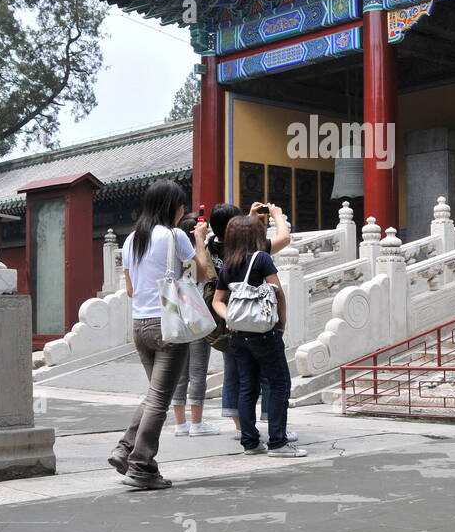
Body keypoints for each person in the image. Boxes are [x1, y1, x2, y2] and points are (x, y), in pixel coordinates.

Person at [107, 179, 210, 490]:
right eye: (181, 205)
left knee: (155, 395)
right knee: (159, 401)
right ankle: (141, 466)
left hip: (139, 325)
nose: (183, 211)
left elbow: (129, 288)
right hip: (168, 325)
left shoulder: (130, 240)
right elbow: (203, 273)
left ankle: (126, 449)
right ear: (172, 207)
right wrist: (201, 240)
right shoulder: (175, 235)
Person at [212, 215, 306, 458]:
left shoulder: (227, 264)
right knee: (279, 384)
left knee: (247, 387)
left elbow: (217, 301)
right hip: (264, 333)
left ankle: (250, 442)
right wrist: (281, 324)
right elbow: (279, 293)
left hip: (238, 335)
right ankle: (278, 443)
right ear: (255, 236)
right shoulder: (261, 258)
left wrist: (231, 319)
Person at [170, 213, 219, 437]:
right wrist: (201, 242)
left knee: (180, 372)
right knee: (198, 371)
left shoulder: (173, 254)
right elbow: (202, 277)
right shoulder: (195, 253)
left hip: (177, 315)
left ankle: (181, 424)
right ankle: (197, 424)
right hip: (196, 316)